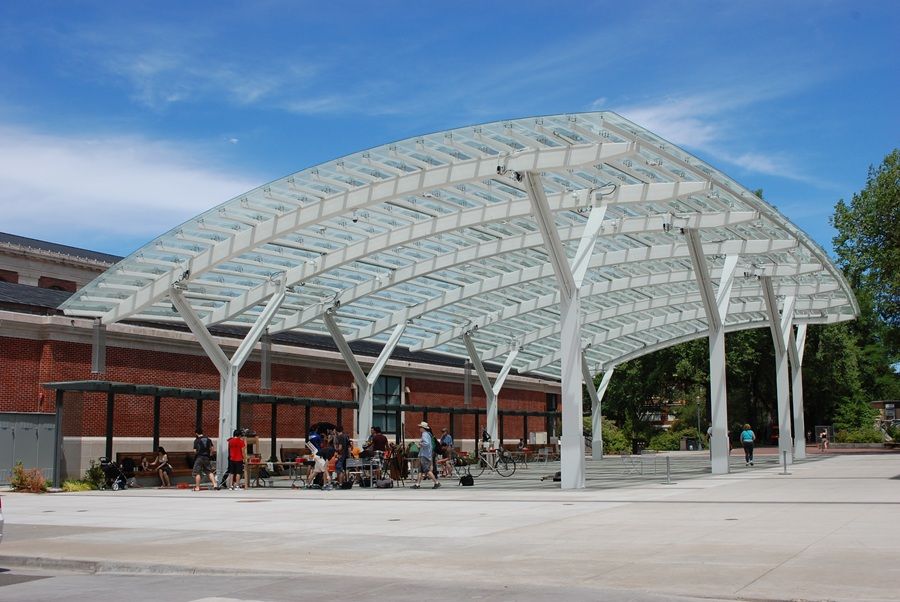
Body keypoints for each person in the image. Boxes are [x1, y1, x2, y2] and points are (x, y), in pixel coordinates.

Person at [412, 421, 441, 489]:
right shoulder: (428, 434)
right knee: (420, 470)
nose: (419, 428)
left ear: (423, 428)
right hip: (425, 454)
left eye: (420, 427)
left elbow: (426, 443)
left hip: (424, 455)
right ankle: (417, 484)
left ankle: (436, 482)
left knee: (427, 470)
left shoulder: (424, 434)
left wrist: (420, 444)